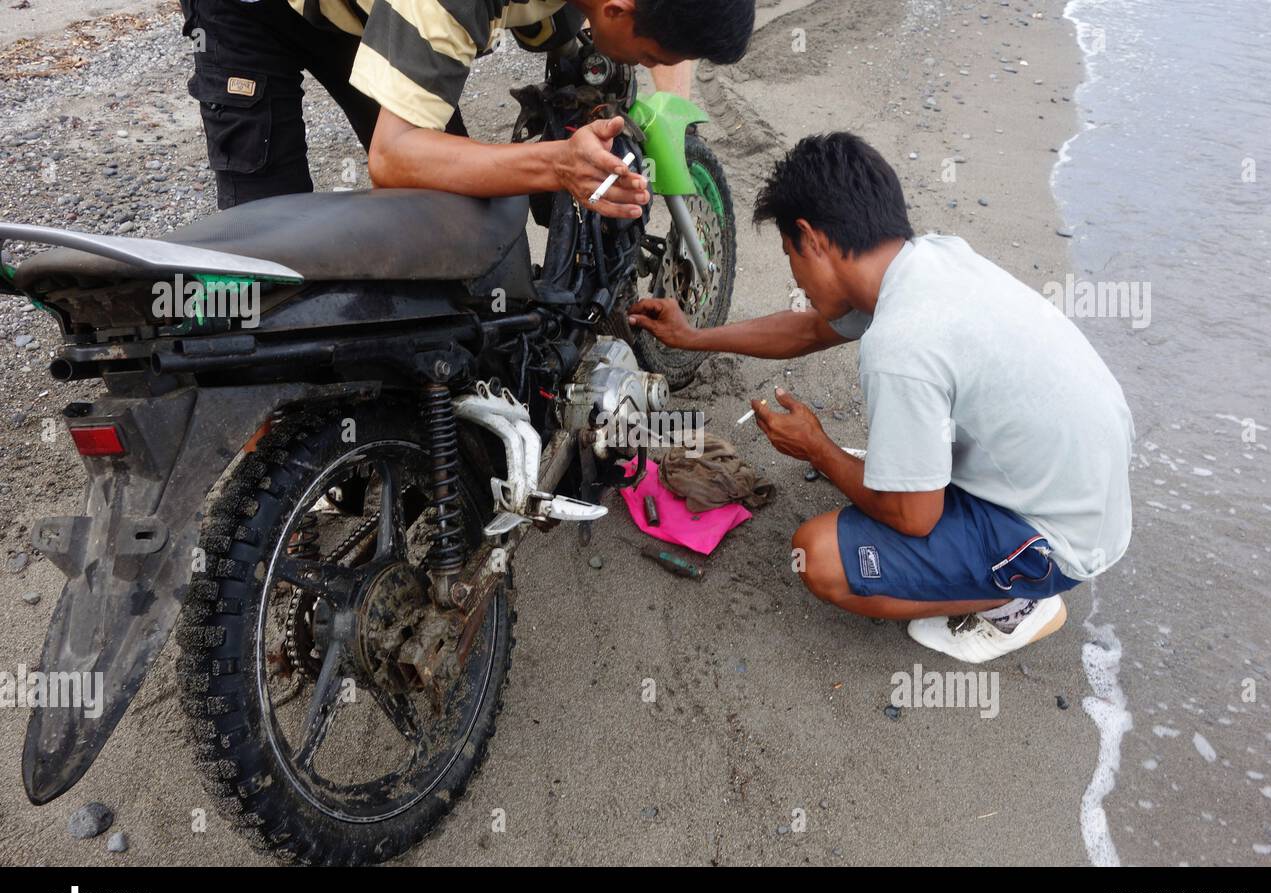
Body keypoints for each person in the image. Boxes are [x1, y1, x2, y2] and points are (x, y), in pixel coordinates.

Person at [629, 132, 1135, 663]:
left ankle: (1017, 604)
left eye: (789, 254)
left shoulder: (902, 341)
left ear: (812, 237)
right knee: (891, 475)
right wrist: (694, 338)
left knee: (819, 556)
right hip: (1077, 485)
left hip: (1054, 540)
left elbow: (912, 519)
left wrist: (819, 450)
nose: (794, 275)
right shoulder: (928, 261)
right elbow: (808, 332)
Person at [178, 0, 753, 211]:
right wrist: (558, 164)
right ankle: (269, 447)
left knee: (451, 211)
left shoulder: (618, 11)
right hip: (249, 11)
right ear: (619, 11)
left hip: (374, 9)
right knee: (264, 230)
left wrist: (669, 108)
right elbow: (396, 158)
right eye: (651, 56)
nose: (653, 69)